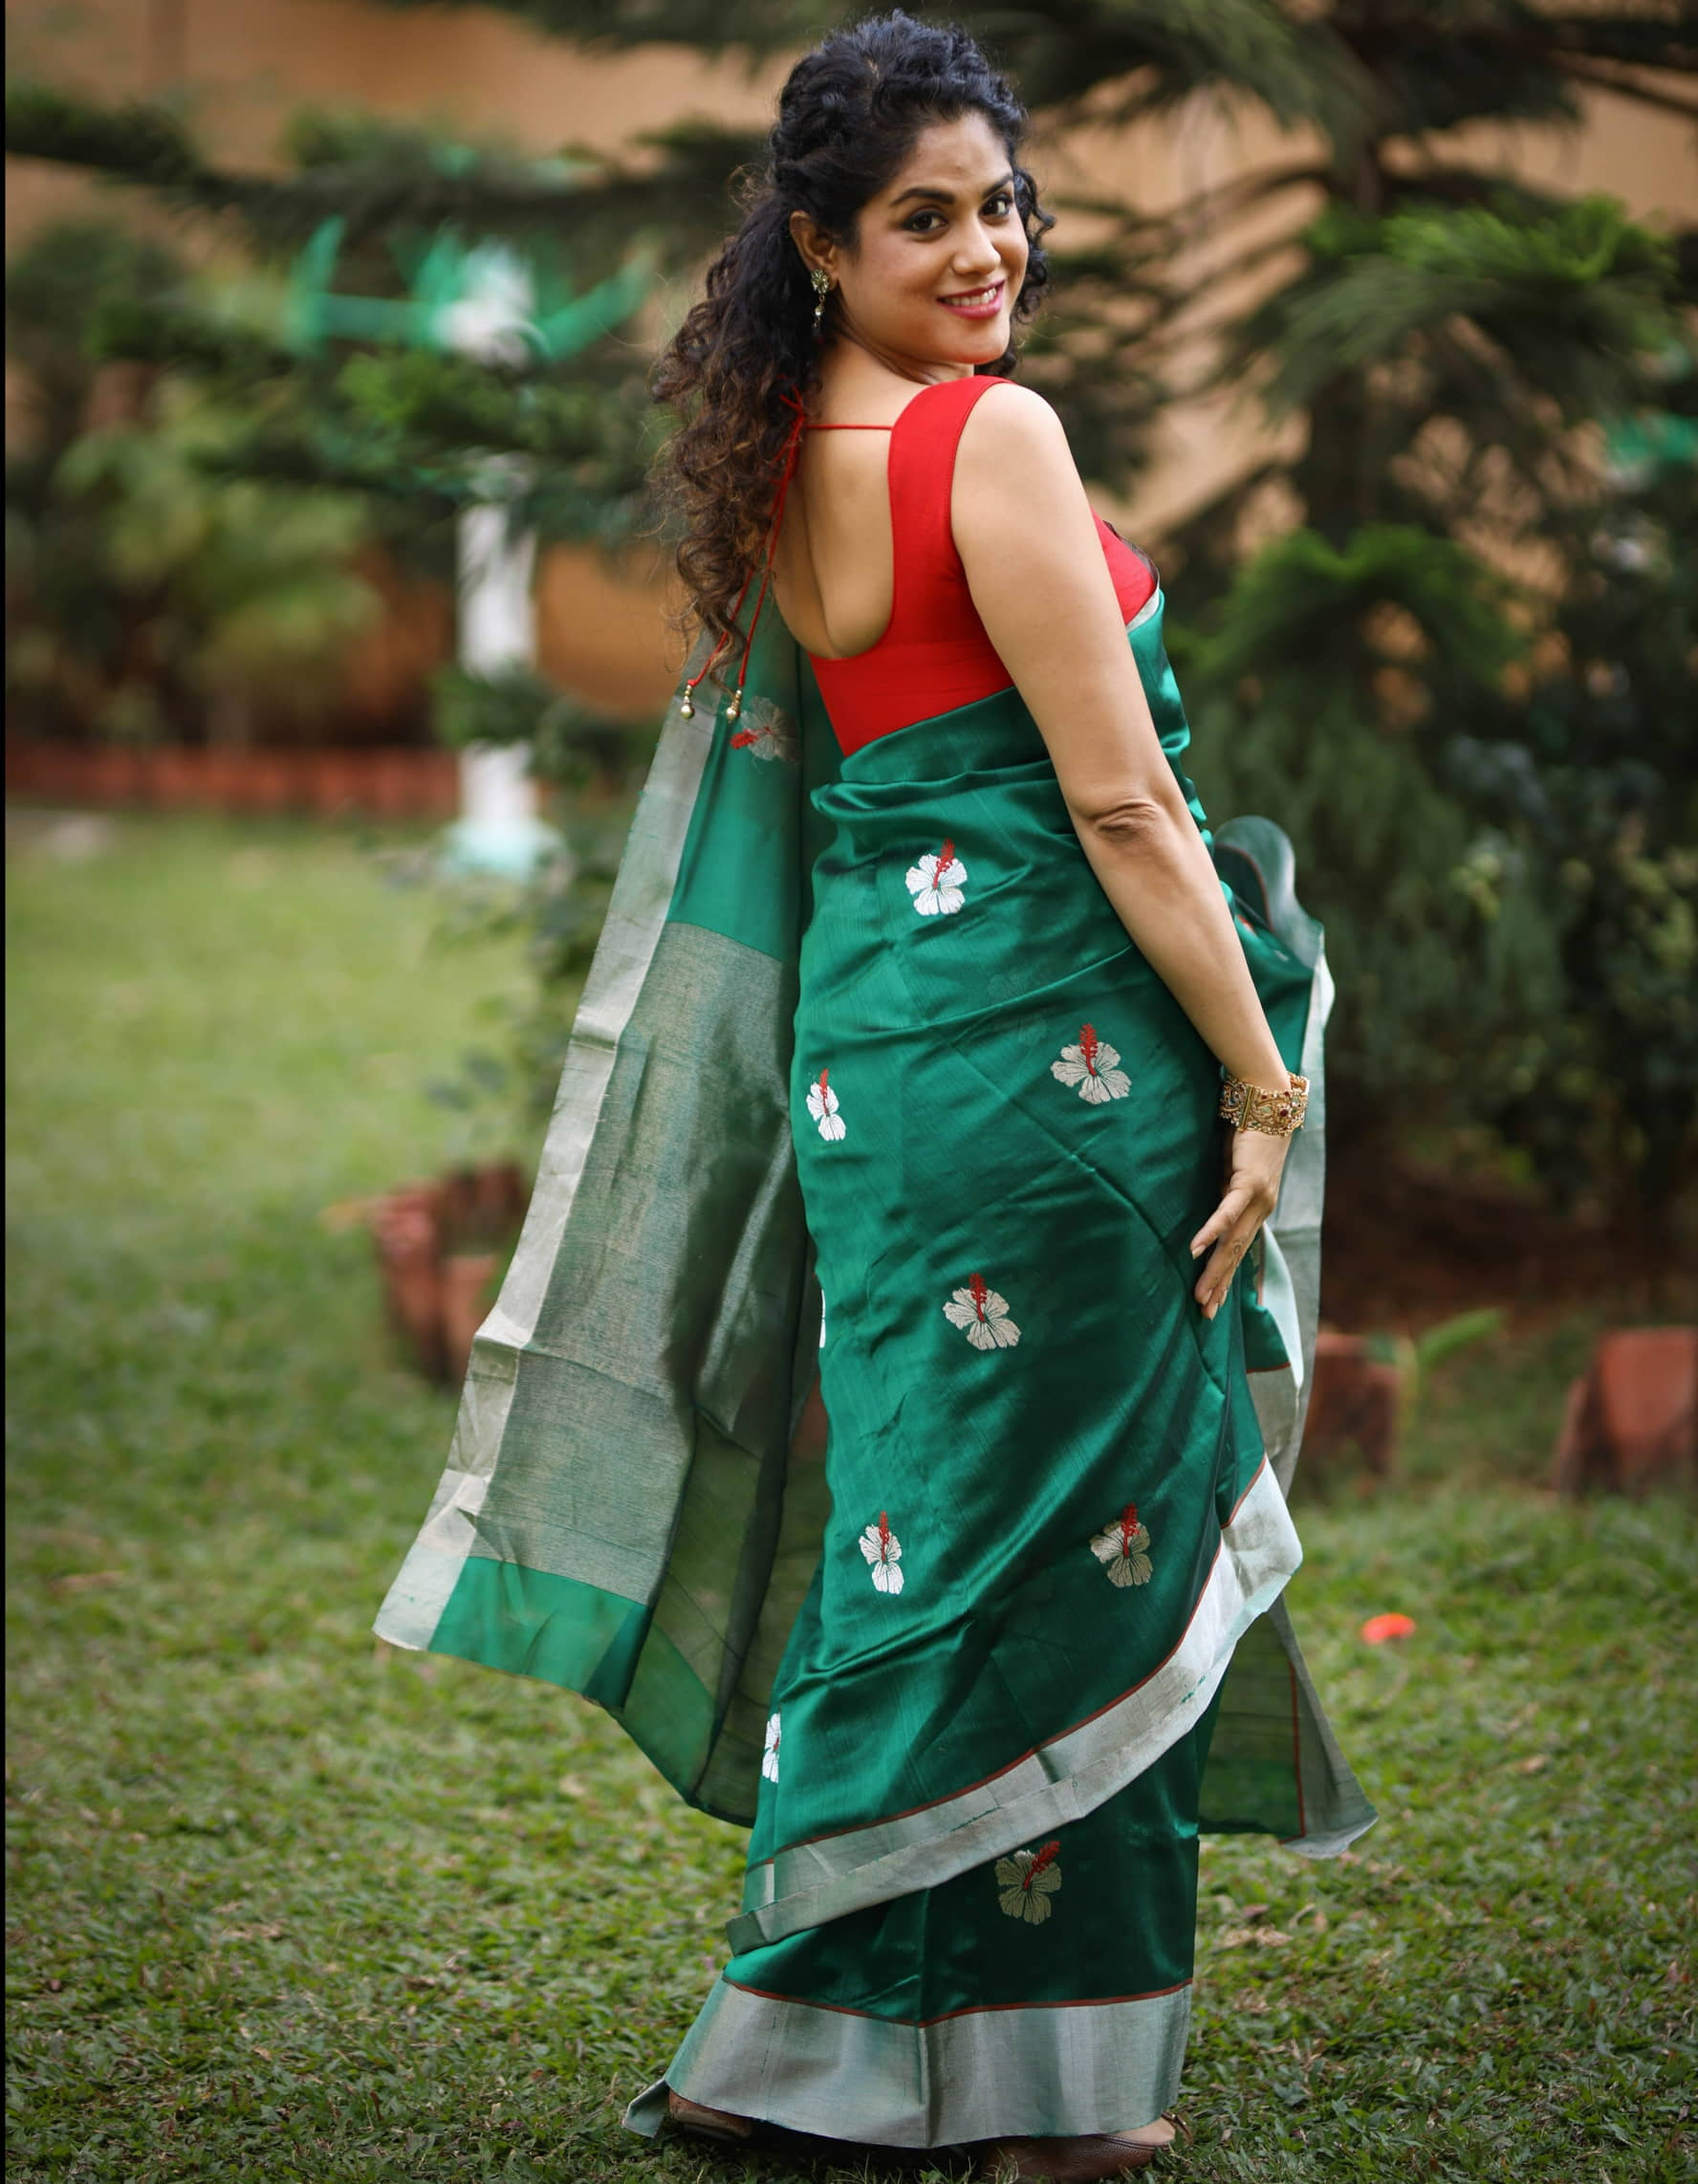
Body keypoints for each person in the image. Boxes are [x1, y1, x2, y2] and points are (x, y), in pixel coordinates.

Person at [374, 14, 1374, 2180]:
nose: (988, 249)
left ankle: (823, 2052)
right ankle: (1041, 2096)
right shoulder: (986, 436)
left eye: (1003, 203)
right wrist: (1260, 1079)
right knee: (1085, 1533)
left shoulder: (786, 450)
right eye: (928, 217)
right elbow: (1122, 804)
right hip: (1052, 1059)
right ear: (823, 241)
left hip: (885, 1057)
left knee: (927, 1527)